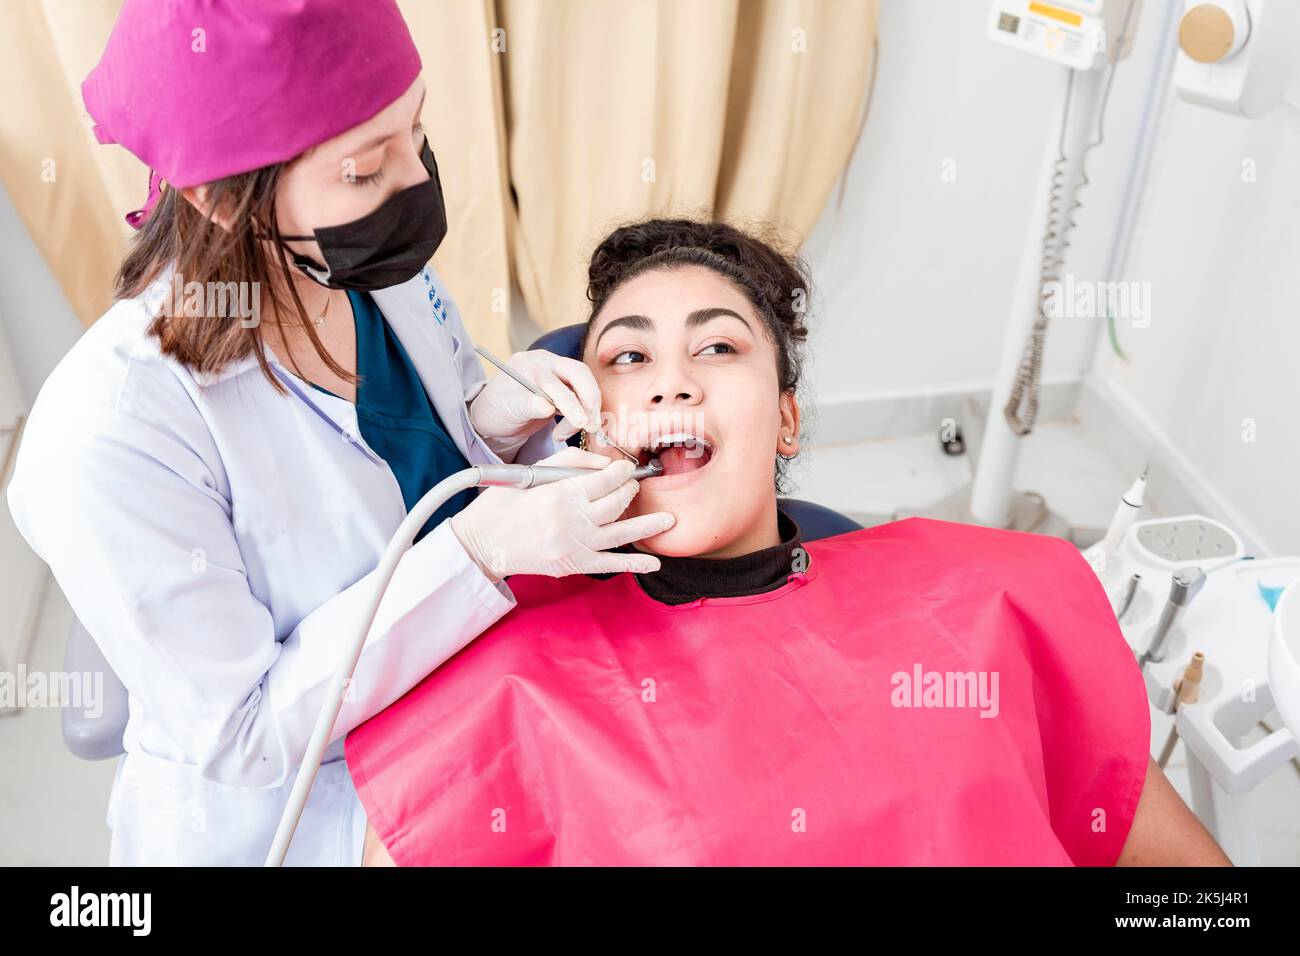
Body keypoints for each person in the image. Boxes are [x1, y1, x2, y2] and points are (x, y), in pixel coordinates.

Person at [4, 0, 672, 866]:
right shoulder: (109, 436)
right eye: (364, 170)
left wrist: (491, 424)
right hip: (304, 809)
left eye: (416, 129)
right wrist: (477, 553)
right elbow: (243, 732)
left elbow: (409, 467)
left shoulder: (365, 268)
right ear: (217, 199)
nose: (415, 183)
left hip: (472, 696)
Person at [345, 219, 1232, 866]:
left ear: (787, 420)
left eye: (719, 348)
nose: (670, 387)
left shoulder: (986, 597)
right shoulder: (506, 684)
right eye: (627, 359)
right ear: (590, 428)